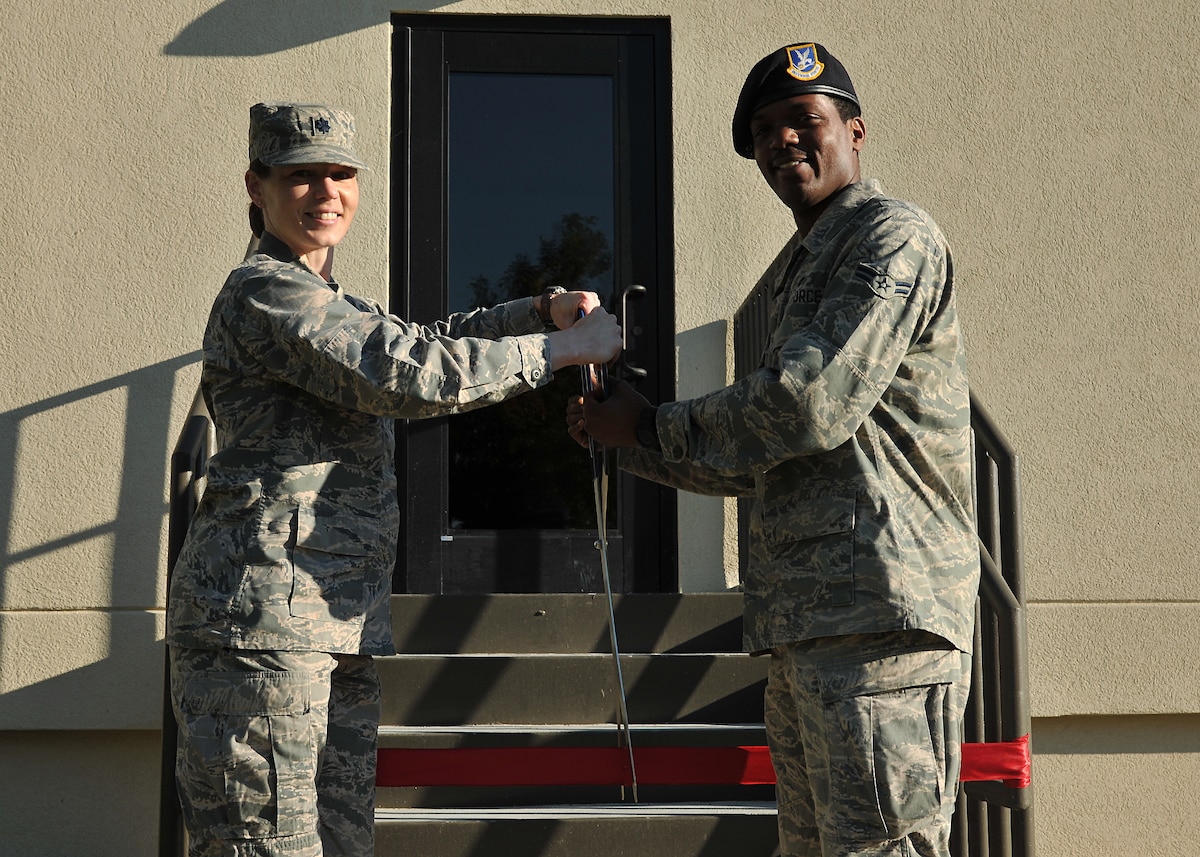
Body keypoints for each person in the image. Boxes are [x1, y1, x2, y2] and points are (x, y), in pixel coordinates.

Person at [166, 101, 622, 857]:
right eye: (300, 176)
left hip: (332, 627)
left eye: (340, 174)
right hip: (262, 636)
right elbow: (405, 372)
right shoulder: (264, 292)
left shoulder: (329, 301)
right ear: (257, 185)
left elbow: (424, 339)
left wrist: (535, 309)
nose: (324, 193)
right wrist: (560, 349)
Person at [568, 44, 980, 857]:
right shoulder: (806, 267)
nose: (784, 140)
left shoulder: (890, 236)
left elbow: (807, 403)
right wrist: (624, 435)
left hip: (882, 621)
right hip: (812, 627)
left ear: (855, 131)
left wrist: (649, 427)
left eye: (804, 120)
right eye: (765, 131)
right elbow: (767, 458)